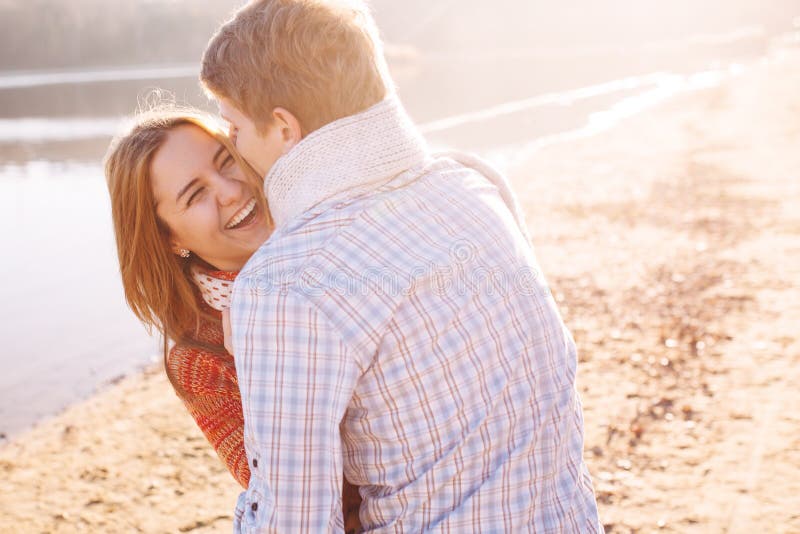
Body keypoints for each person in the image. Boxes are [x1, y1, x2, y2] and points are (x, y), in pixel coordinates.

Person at [200, 0, 603, 532]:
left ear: (283, 127)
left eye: (233, 128)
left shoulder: (286, 283)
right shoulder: (475, 183)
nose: (234, 145)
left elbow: (293, 523)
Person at [103, 108, 362, 532]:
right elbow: (294, 498)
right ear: (170, 238)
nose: (230, 190)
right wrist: (262, 361)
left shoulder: (333, 222)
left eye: (226, 160)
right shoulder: (198, 360)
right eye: (194, 195)